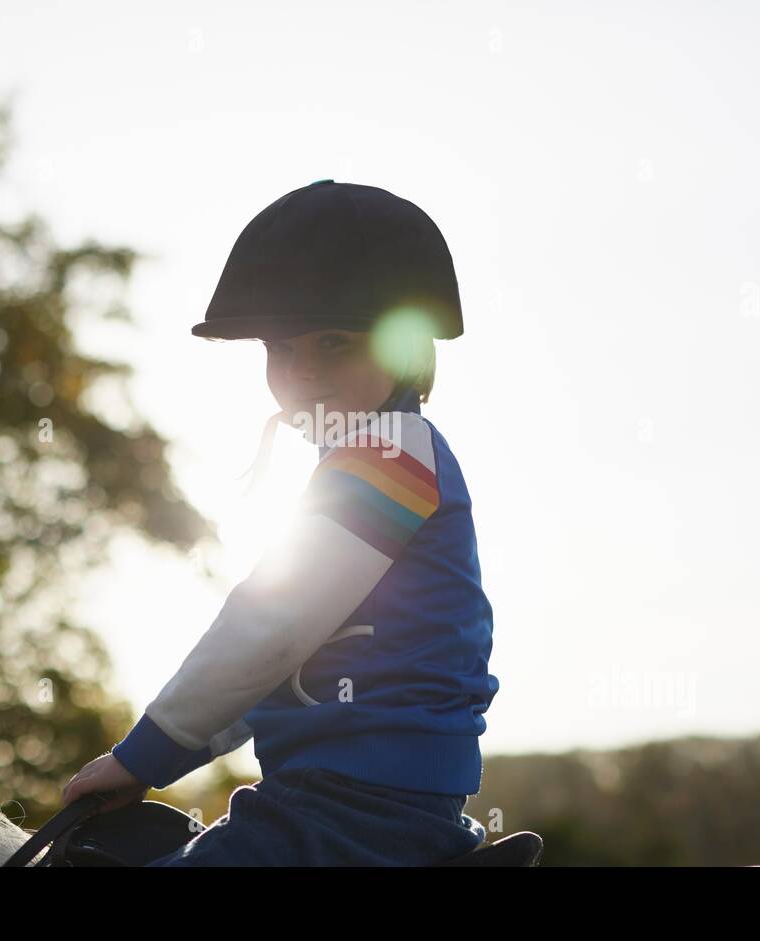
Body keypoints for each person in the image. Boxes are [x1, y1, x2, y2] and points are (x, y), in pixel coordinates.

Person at [61, 180, 499, 865]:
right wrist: (160, 763)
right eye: (280, 348)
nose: (302, 373)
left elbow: (269, 627)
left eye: (334, 342)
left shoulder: (394, 452)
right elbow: (267, 668)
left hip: (364, 807)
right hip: (321, 796)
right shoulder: (361, 464)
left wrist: (142, 755)